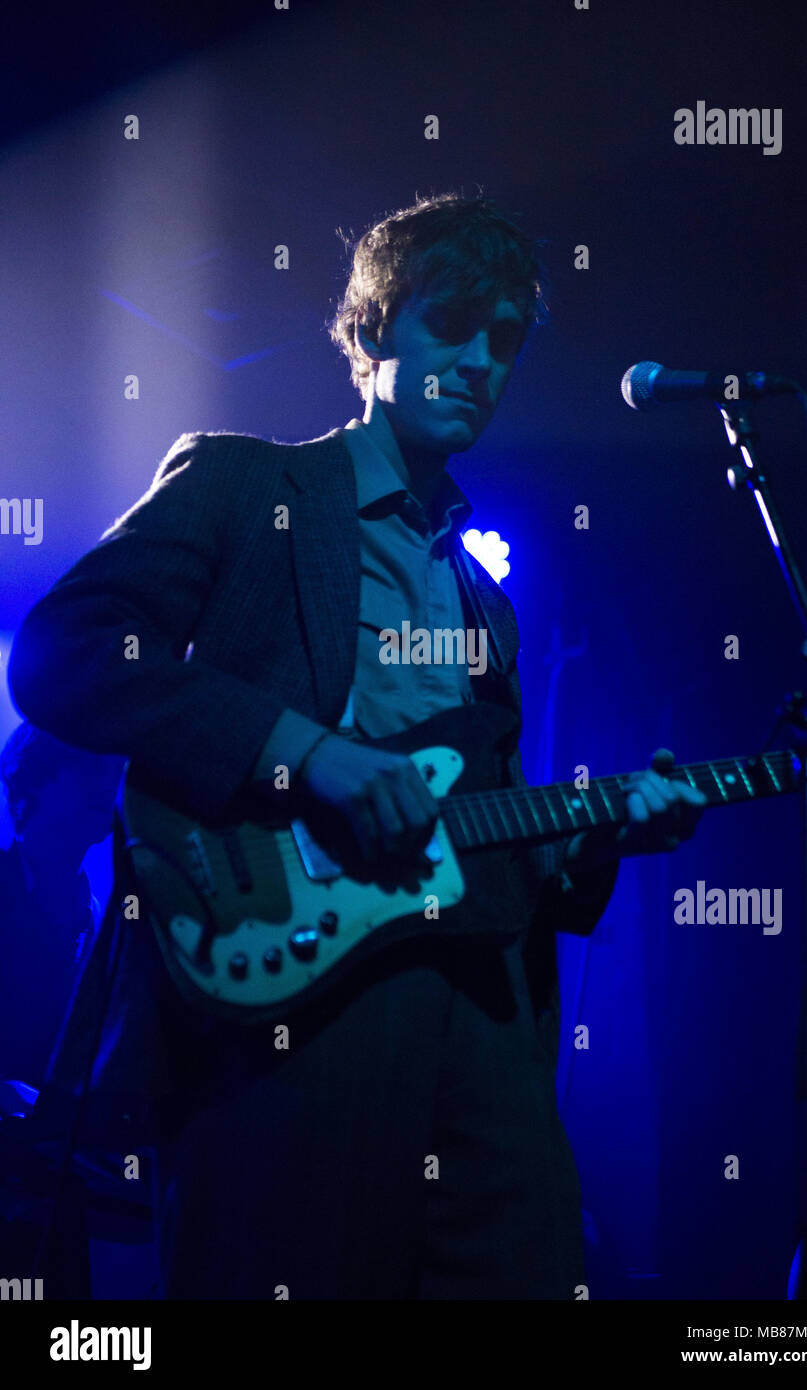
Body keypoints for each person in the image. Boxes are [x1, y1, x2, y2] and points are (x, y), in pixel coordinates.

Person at [6, 192, 706, 1299]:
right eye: (454, 324)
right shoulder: (245, 485)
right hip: (291, 1003)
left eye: (505, 338)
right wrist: (305, 751)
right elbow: (62, 652)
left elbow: (480, 835)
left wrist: (604, 837)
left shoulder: (486, 600)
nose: (481, 360)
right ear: (373, 326)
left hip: (483, 1022)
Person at [0, 721, 122, 1089]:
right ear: (32, 778)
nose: (110, 781)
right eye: (90, 764)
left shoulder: (102, 918)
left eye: (115, 769)